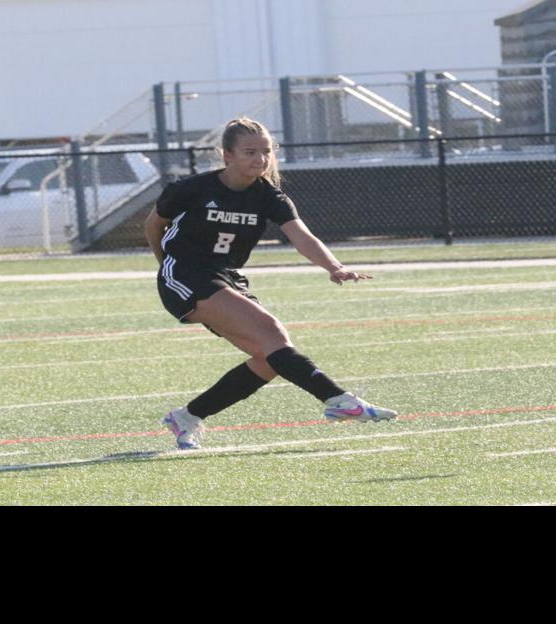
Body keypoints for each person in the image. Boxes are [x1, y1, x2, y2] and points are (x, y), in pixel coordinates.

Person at [144, 117, 397, 450]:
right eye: (249, 152)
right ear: (227, 155)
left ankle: (186, 418)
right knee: (274, 333)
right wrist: (167, 265)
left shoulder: (269, 196)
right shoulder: (192, 189)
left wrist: (333, 267)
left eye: (266, 152)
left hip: (227, 276)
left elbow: (302, 237)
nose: (260, 159)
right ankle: (338, 400)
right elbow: (153, 225)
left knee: (269, 358)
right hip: (187, 275)